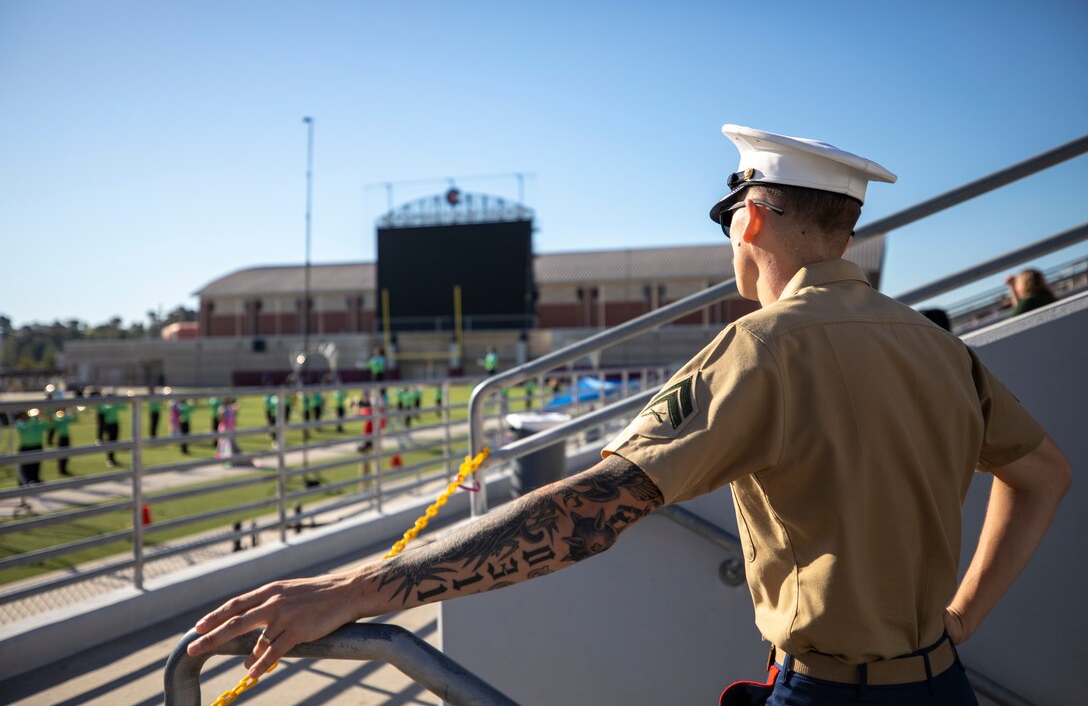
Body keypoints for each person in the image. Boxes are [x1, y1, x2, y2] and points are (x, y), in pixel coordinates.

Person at [187, 125, 1070, 705]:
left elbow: (592, 508)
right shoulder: (936, 345)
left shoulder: (763, 346)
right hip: (943, 683)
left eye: (732, 218)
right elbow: (1043, 475)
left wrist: (363, 586)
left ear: (752, 218)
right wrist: (961, 617)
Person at [15, 409, 47, 485]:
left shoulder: (36, 422)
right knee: (25, 467)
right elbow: (26, 426)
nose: (26, 416)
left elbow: (47, 425)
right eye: (24, 414)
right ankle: (23, 482)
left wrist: (44, 417)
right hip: (26, 447)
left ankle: (35, 479)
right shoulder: (19, 423)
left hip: (37, 446)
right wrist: (34, 418)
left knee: (36, 465)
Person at [50, 407, 75, 476]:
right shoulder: (57, 417)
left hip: (66, 437)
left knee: (66, 454)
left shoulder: (65, 417)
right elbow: (55, 423)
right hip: (61, 437)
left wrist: (72, 413)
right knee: (61, 454)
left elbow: (74, 420)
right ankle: (61, 469)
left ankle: (64, 469)